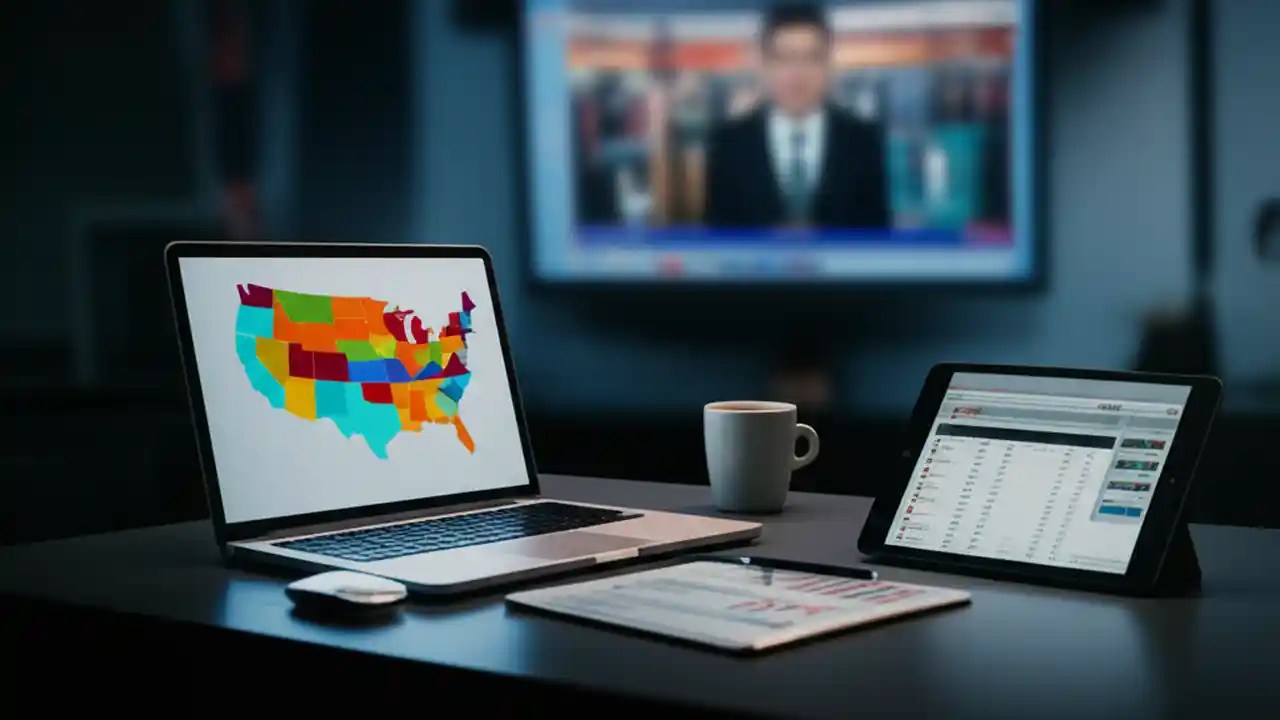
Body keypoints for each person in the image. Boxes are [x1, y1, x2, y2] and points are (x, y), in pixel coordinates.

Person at [705, 3, 889, 229]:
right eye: (784, 58)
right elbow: (718, 241)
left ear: (829, 65)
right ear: (764, 66)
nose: (797, 73)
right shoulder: (729, 144)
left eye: (811, 58)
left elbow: (877, 238)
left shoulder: (862, 141)